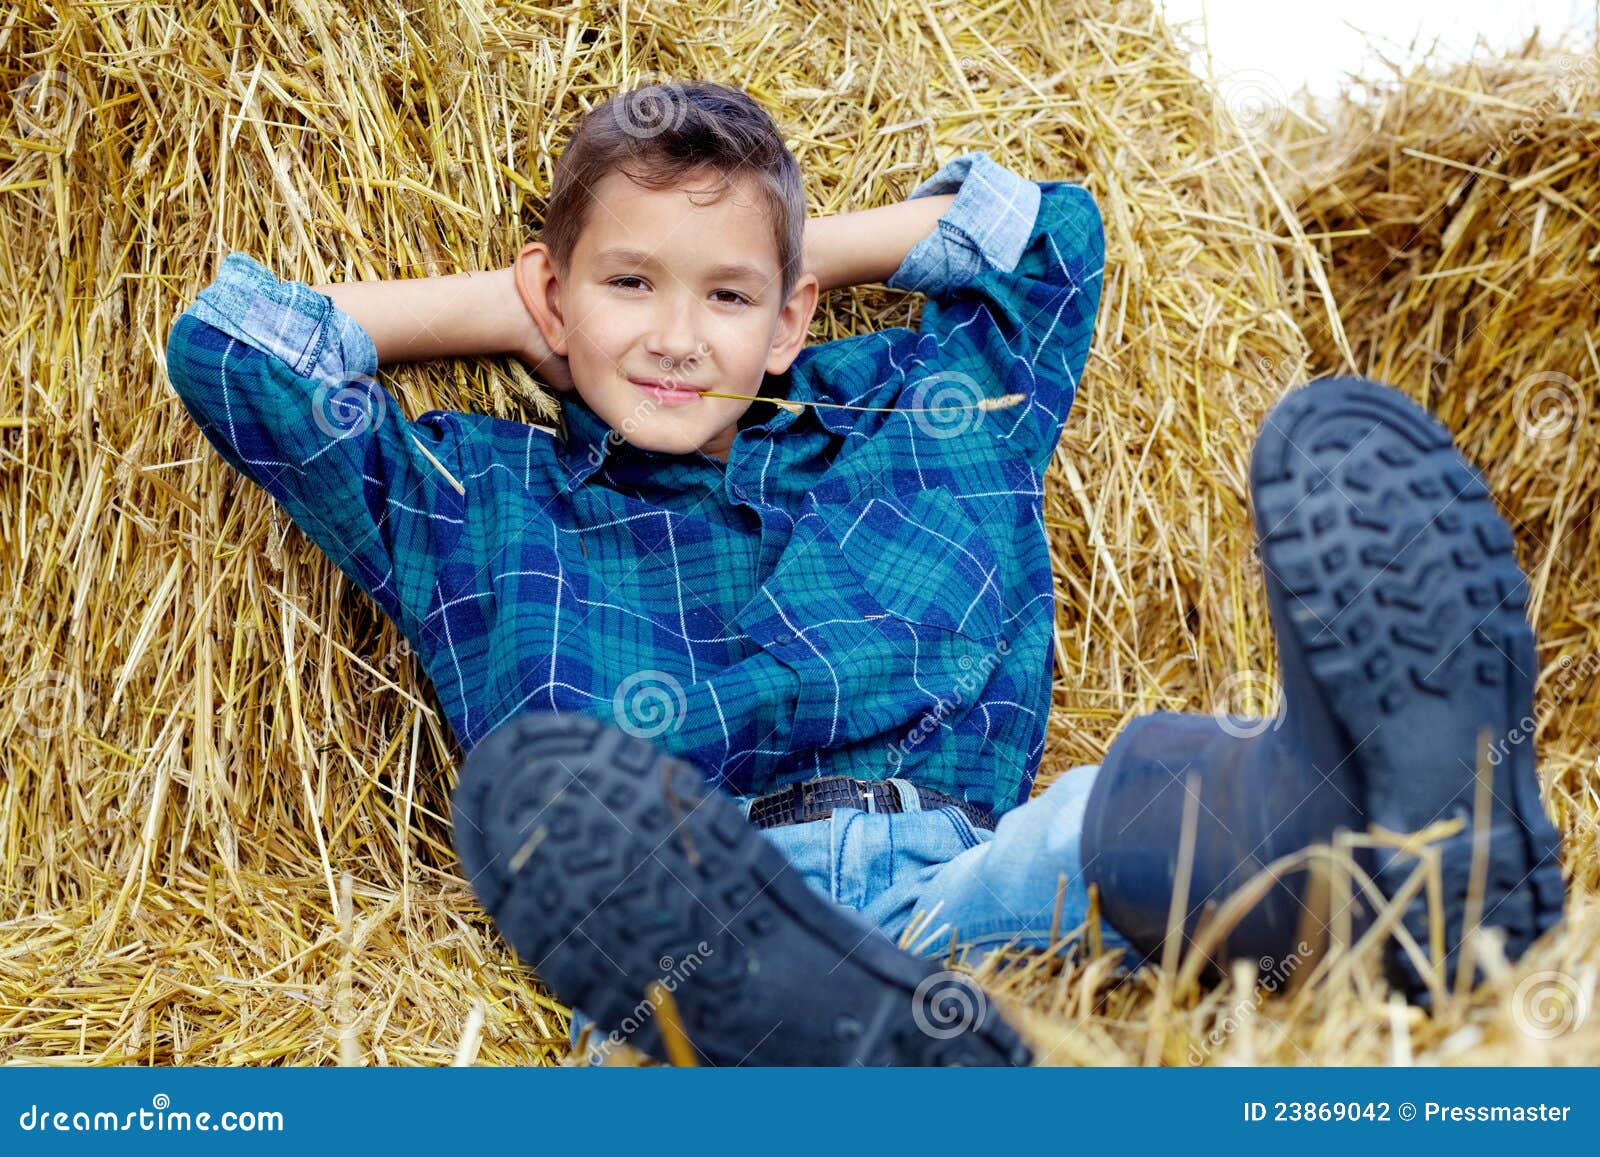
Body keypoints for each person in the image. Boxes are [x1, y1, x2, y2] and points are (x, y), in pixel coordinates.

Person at [164, 81, 1566, 1068]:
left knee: (1105, 822)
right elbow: (235, 349)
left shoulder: (907, 408)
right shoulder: (476, 498)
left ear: (792, 319)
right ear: (558, 295)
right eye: (626, 286)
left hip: (956, 870)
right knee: (719, 1006)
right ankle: (858, 1048)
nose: (673, 335)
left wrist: (780, 254)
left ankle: (1382, 834)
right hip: (698, 923)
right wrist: (509, 306)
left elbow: (1051, 240)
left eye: (723, 299)